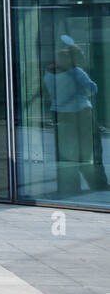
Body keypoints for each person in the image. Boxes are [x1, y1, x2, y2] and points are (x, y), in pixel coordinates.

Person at [42, 40, 105, 195]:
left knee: (67, 152)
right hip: (81, 113)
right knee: (90, 150)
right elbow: (92, 89)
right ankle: (97, 184)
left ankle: (69, 186)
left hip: (60, 113)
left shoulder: (49, 72)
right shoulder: (76, 72)